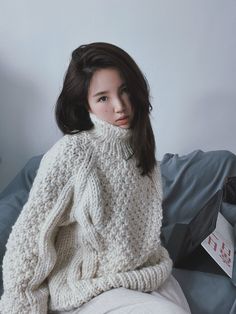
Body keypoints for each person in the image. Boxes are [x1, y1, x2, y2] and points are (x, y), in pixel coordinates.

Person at [0, 42, 191, 314]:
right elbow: (29, 239)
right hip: (87, 288)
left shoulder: (139, 145)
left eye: (124, 91)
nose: (120, 106)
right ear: (85, 103)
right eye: (103, 98)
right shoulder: (73, 152)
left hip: (145, 275)